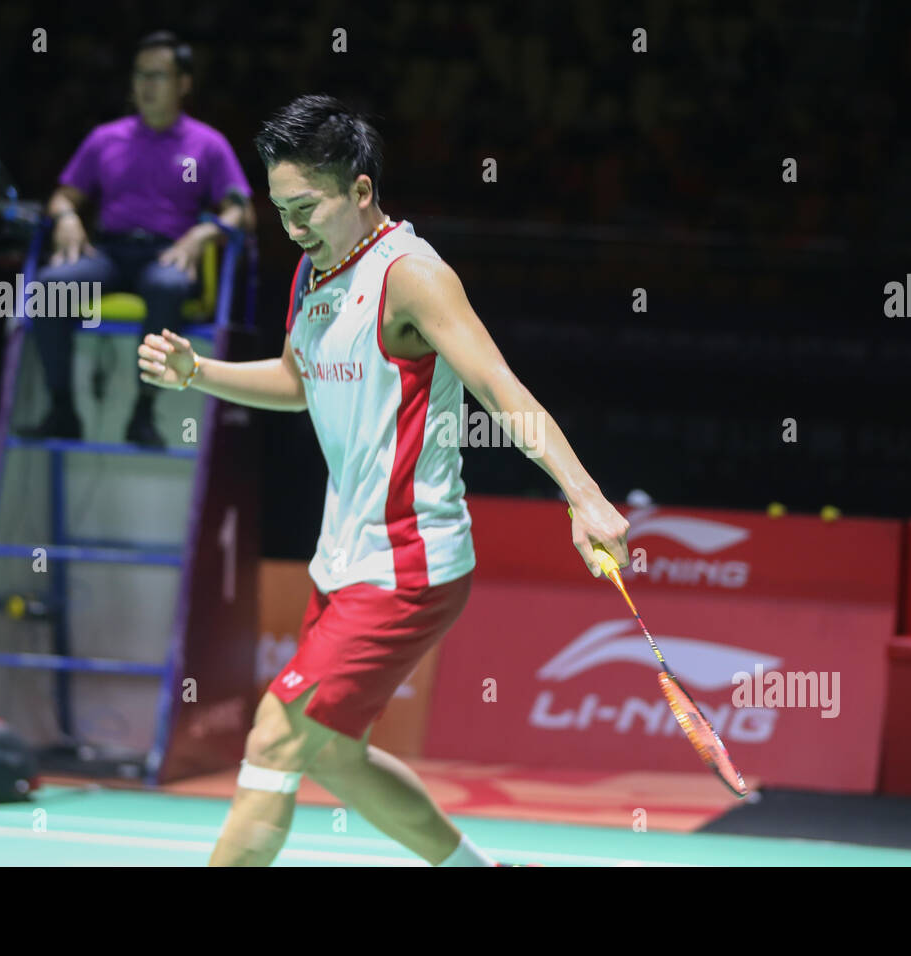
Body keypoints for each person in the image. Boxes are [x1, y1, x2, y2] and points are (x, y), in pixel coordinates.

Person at [137, 95, 630, 866]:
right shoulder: (314, 269)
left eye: (306, 207)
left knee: (276, 731)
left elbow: (500, 389)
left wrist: (585, 495)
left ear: (361, 192)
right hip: (344, 557)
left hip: (409, 562)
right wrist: (199, 373)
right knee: (331, 755)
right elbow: (299, 379)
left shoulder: (413, 277)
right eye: (280, 209)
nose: (292, 226)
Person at [21, 30, 254, 448]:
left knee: (166, 286)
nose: (146, 85)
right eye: (139, 75)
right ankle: (62, 411)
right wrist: (67, 215)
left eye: (158, 76)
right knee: (48, 287)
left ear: (183, 83)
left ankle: (142, 415)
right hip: (107, 253)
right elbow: (62, 196)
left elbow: (242, 210)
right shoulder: (104, 139)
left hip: (165, 254)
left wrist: (205, 231)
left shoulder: (207, 144)